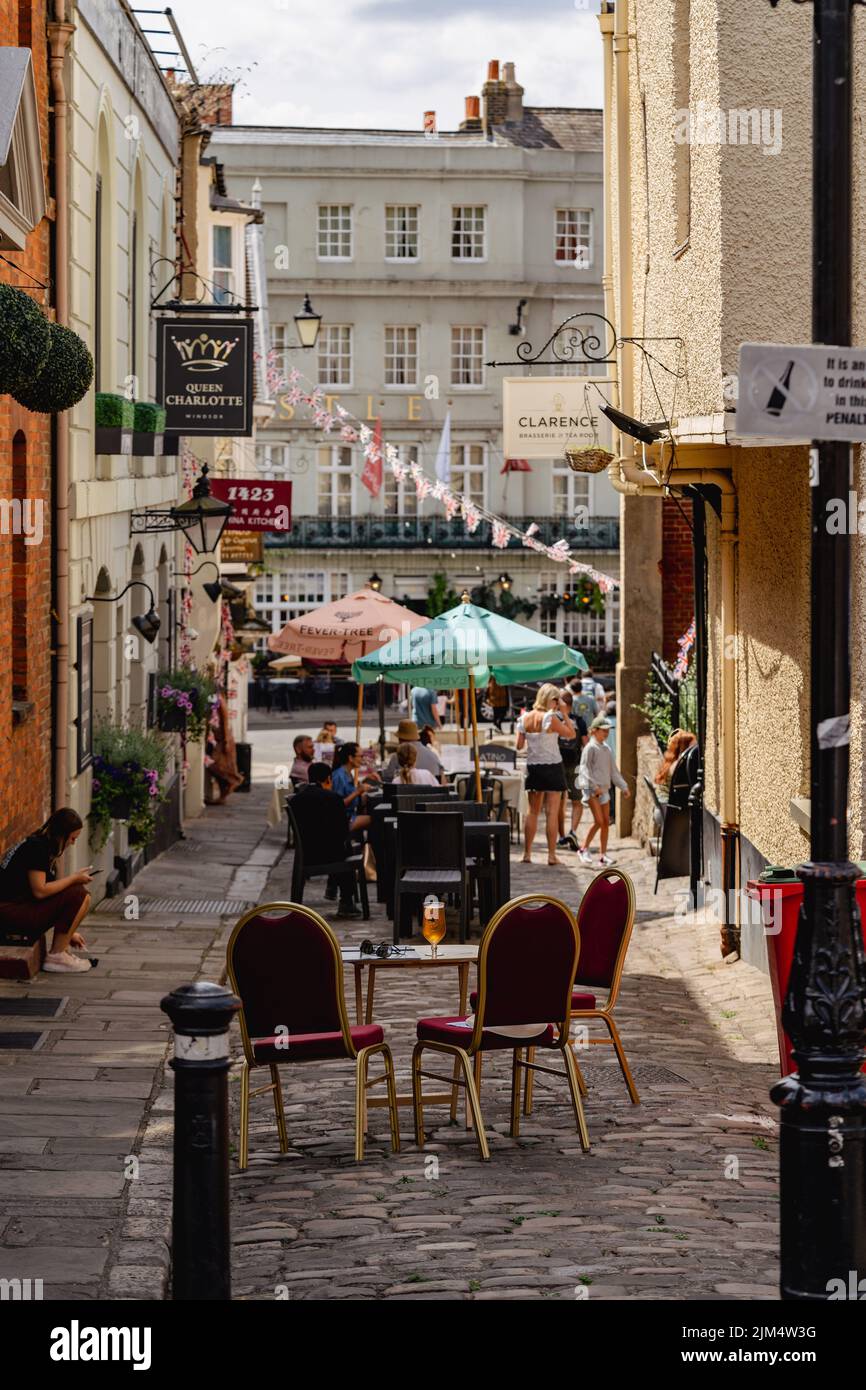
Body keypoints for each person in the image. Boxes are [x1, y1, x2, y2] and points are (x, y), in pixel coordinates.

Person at [0, 809, 94, 973]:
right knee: (80, 894)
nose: (72, 843)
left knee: (74, 891)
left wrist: (69, 934)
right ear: (62, 834)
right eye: (72, 838)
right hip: (9, 913)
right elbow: (40, 892)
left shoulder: (37, 842)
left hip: (12, 909)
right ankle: (57, 956)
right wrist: (74, 878)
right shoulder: (37, 848)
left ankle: (61, 951)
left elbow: (50, 893)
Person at [515, 683, 574, 865]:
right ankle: (551, 855)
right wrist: (564, 713)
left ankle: (527, 854)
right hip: (552, 766)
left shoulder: (524, 718)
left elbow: (518, 746)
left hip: (534, 766)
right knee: (552, 812)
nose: (558, 703)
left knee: (532, 812)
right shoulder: (551, 718)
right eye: (556, 699)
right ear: (551, 699)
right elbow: (571, 734)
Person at [296, 763, 362, 918]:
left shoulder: (298, 798)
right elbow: (342, 830)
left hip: (307, 853)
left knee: (340, 847)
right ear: (328, 779)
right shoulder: (333, 798)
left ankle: (333, 889)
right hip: (327, 855)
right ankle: (346, 901)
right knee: (345, 849)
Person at [578, 715, 630, 866]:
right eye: (603, 731)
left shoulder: (607, 749)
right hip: (592, 790)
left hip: (604, 790)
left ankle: (603, 855)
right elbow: (584, 769)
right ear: (594, 731)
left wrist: (623, 786)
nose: (606, 734)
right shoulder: (590, 748)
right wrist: (594, 787)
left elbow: (613, 771)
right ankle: (583, 849)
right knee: (599, 821)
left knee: (606, 822)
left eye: (608, 731)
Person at [556, 689, 589, 849]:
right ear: (571, 704)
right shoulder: (580, 721)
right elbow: (586, 744)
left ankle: (561, 836)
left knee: (559, 802)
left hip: (558, 764)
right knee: (577, 801)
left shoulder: (554, 719)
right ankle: (573, 832)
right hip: (576, 765)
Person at [330, 741, 380, 833]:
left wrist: (365, 780)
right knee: (378, 820)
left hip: (351, 815)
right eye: (360, 756)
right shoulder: (338, 776)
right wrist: (358, 792)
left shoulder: (347, 774)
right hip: (344, 820)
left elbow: (350, 792)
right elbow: (337, 805)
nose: (362, 759)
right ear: (350, 758)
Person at [206, 693, 243, 805]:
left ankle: (235, 780)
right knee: (219, 766)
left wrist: (226, 740)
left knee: (215, 765)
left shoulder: (219, 701)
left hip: (223, 740)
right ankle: (223, 796)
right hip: (218, 739)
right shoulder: (216, 700)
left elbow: (225, 720)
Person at [655, 729, 698, 799]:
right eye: (691, 747)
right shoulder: (678, 765)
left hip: (661, 802)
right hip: (669, 805)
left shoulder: (670, 762)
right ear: (684, 747)